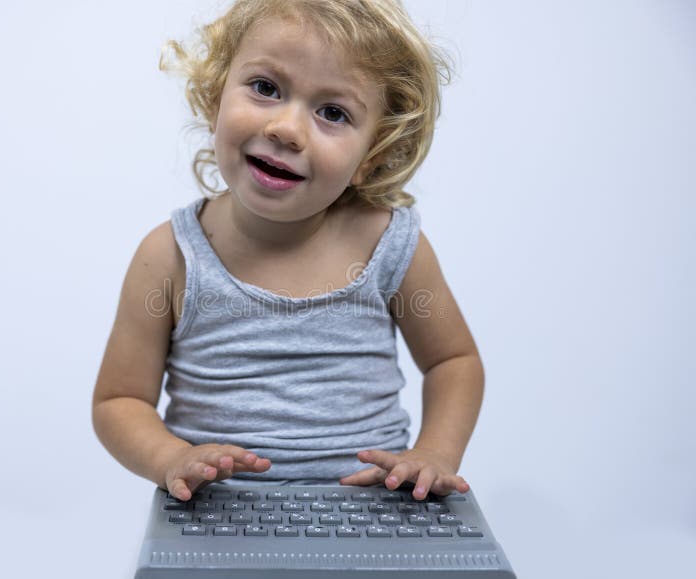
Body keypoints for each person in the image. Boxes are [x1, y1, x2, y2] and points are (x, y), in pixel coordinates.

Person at [92, 0, 484, 503]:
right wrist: (169, 458)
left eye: (333, 113)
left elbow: (454, 361)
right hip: (217, 516)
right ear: (215, 95)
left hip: (374, 510)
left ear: (372, 155)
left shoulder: (388, 245)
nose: (286, 129)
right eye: (265, 87)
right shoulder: (168, 257)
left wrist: (435, 453)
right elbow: (119, 400)